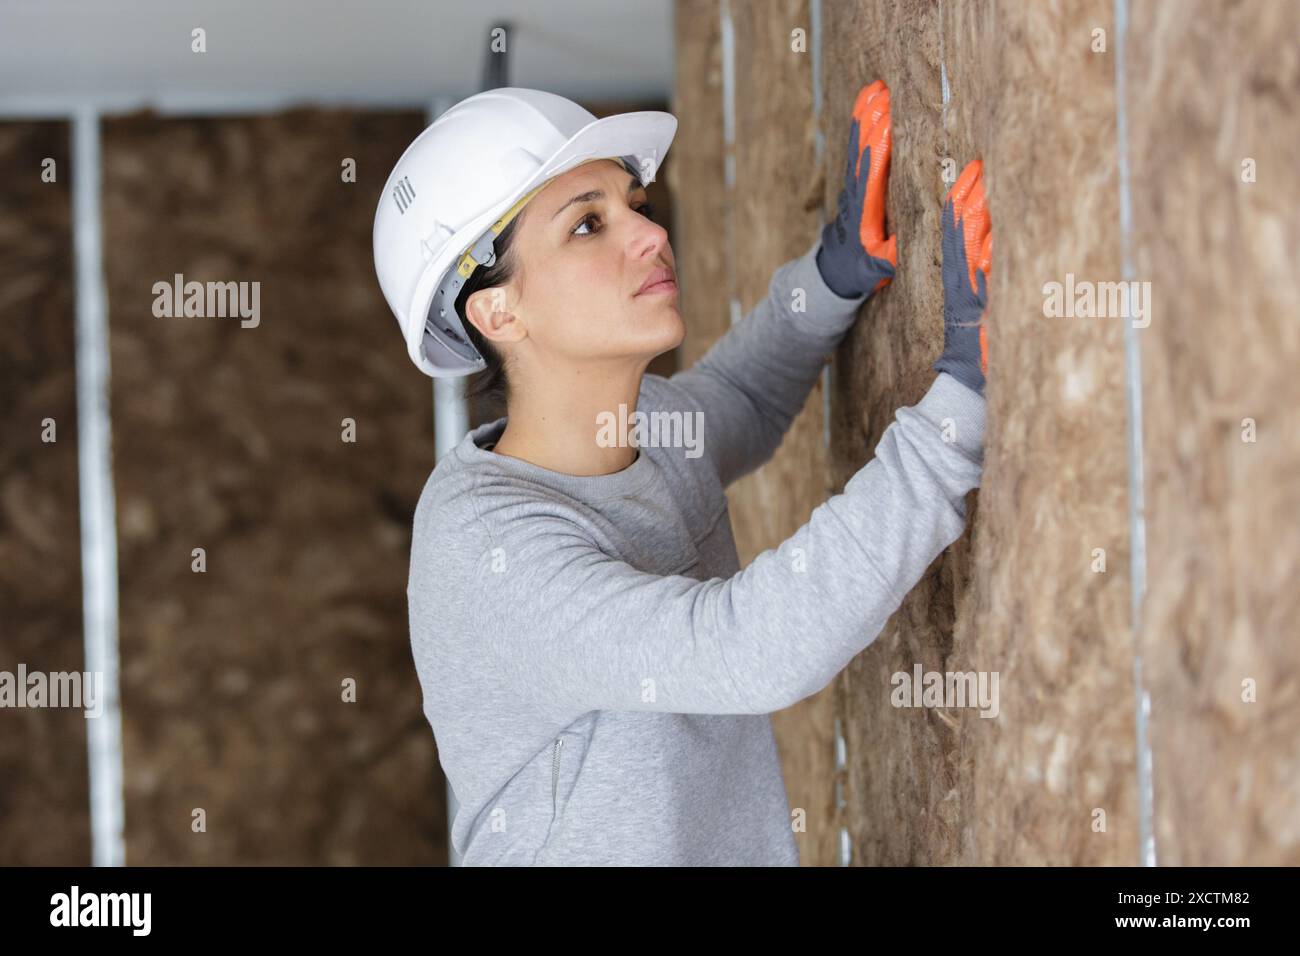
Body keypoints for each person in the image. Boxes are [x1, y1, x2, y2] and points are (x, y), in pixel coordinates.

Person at [373, 84, 992, 865]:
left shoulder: (635, 431)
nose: (647, 232)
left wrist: (833, 272)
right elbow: (747, 650)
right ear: (498, 314)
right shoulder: (486, 551)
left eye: (635, 203)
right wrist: (961, 404)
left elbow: (737, 397)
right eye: (588, 224)